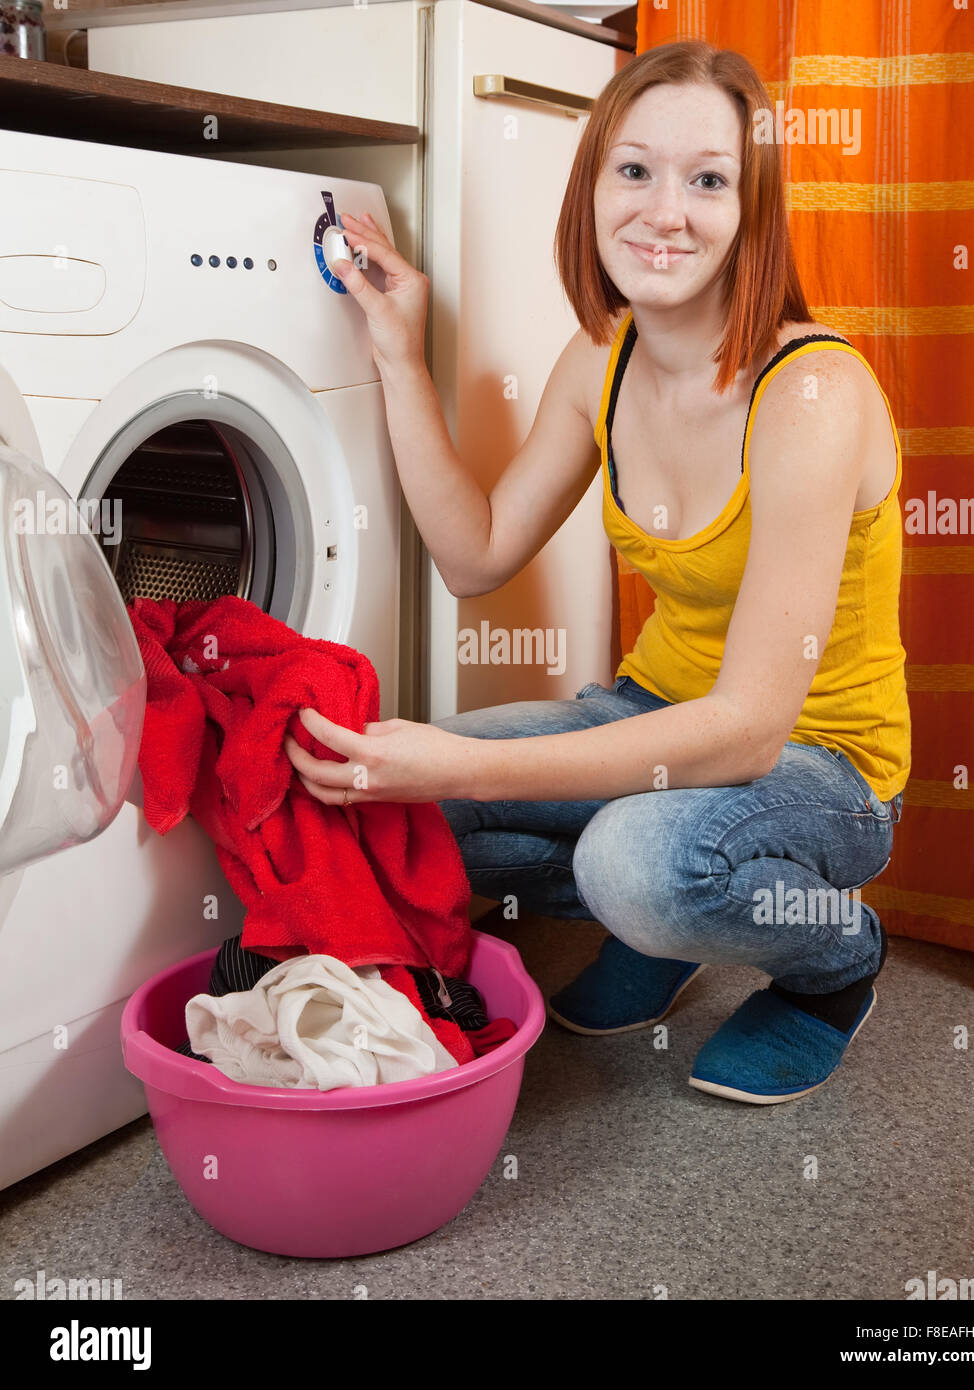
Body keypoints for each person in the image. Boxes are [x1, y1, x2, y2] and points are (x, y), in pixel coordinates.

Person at [285, 39, 911, 1105]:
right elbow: (474, 555)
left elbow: (751, 727)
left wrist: (458, 759)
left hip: (820, 766)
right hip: (649, 713)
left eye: (707, 180)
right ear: (592, 190)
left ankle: (833, 964)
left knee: (632, 861)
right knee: (395, 814)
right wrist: (398, 347)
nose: (664, 211)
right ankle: (663, 915)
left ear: (749, 210)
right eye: (634, 170)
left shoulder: (812, 393)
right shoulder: (599, 359)